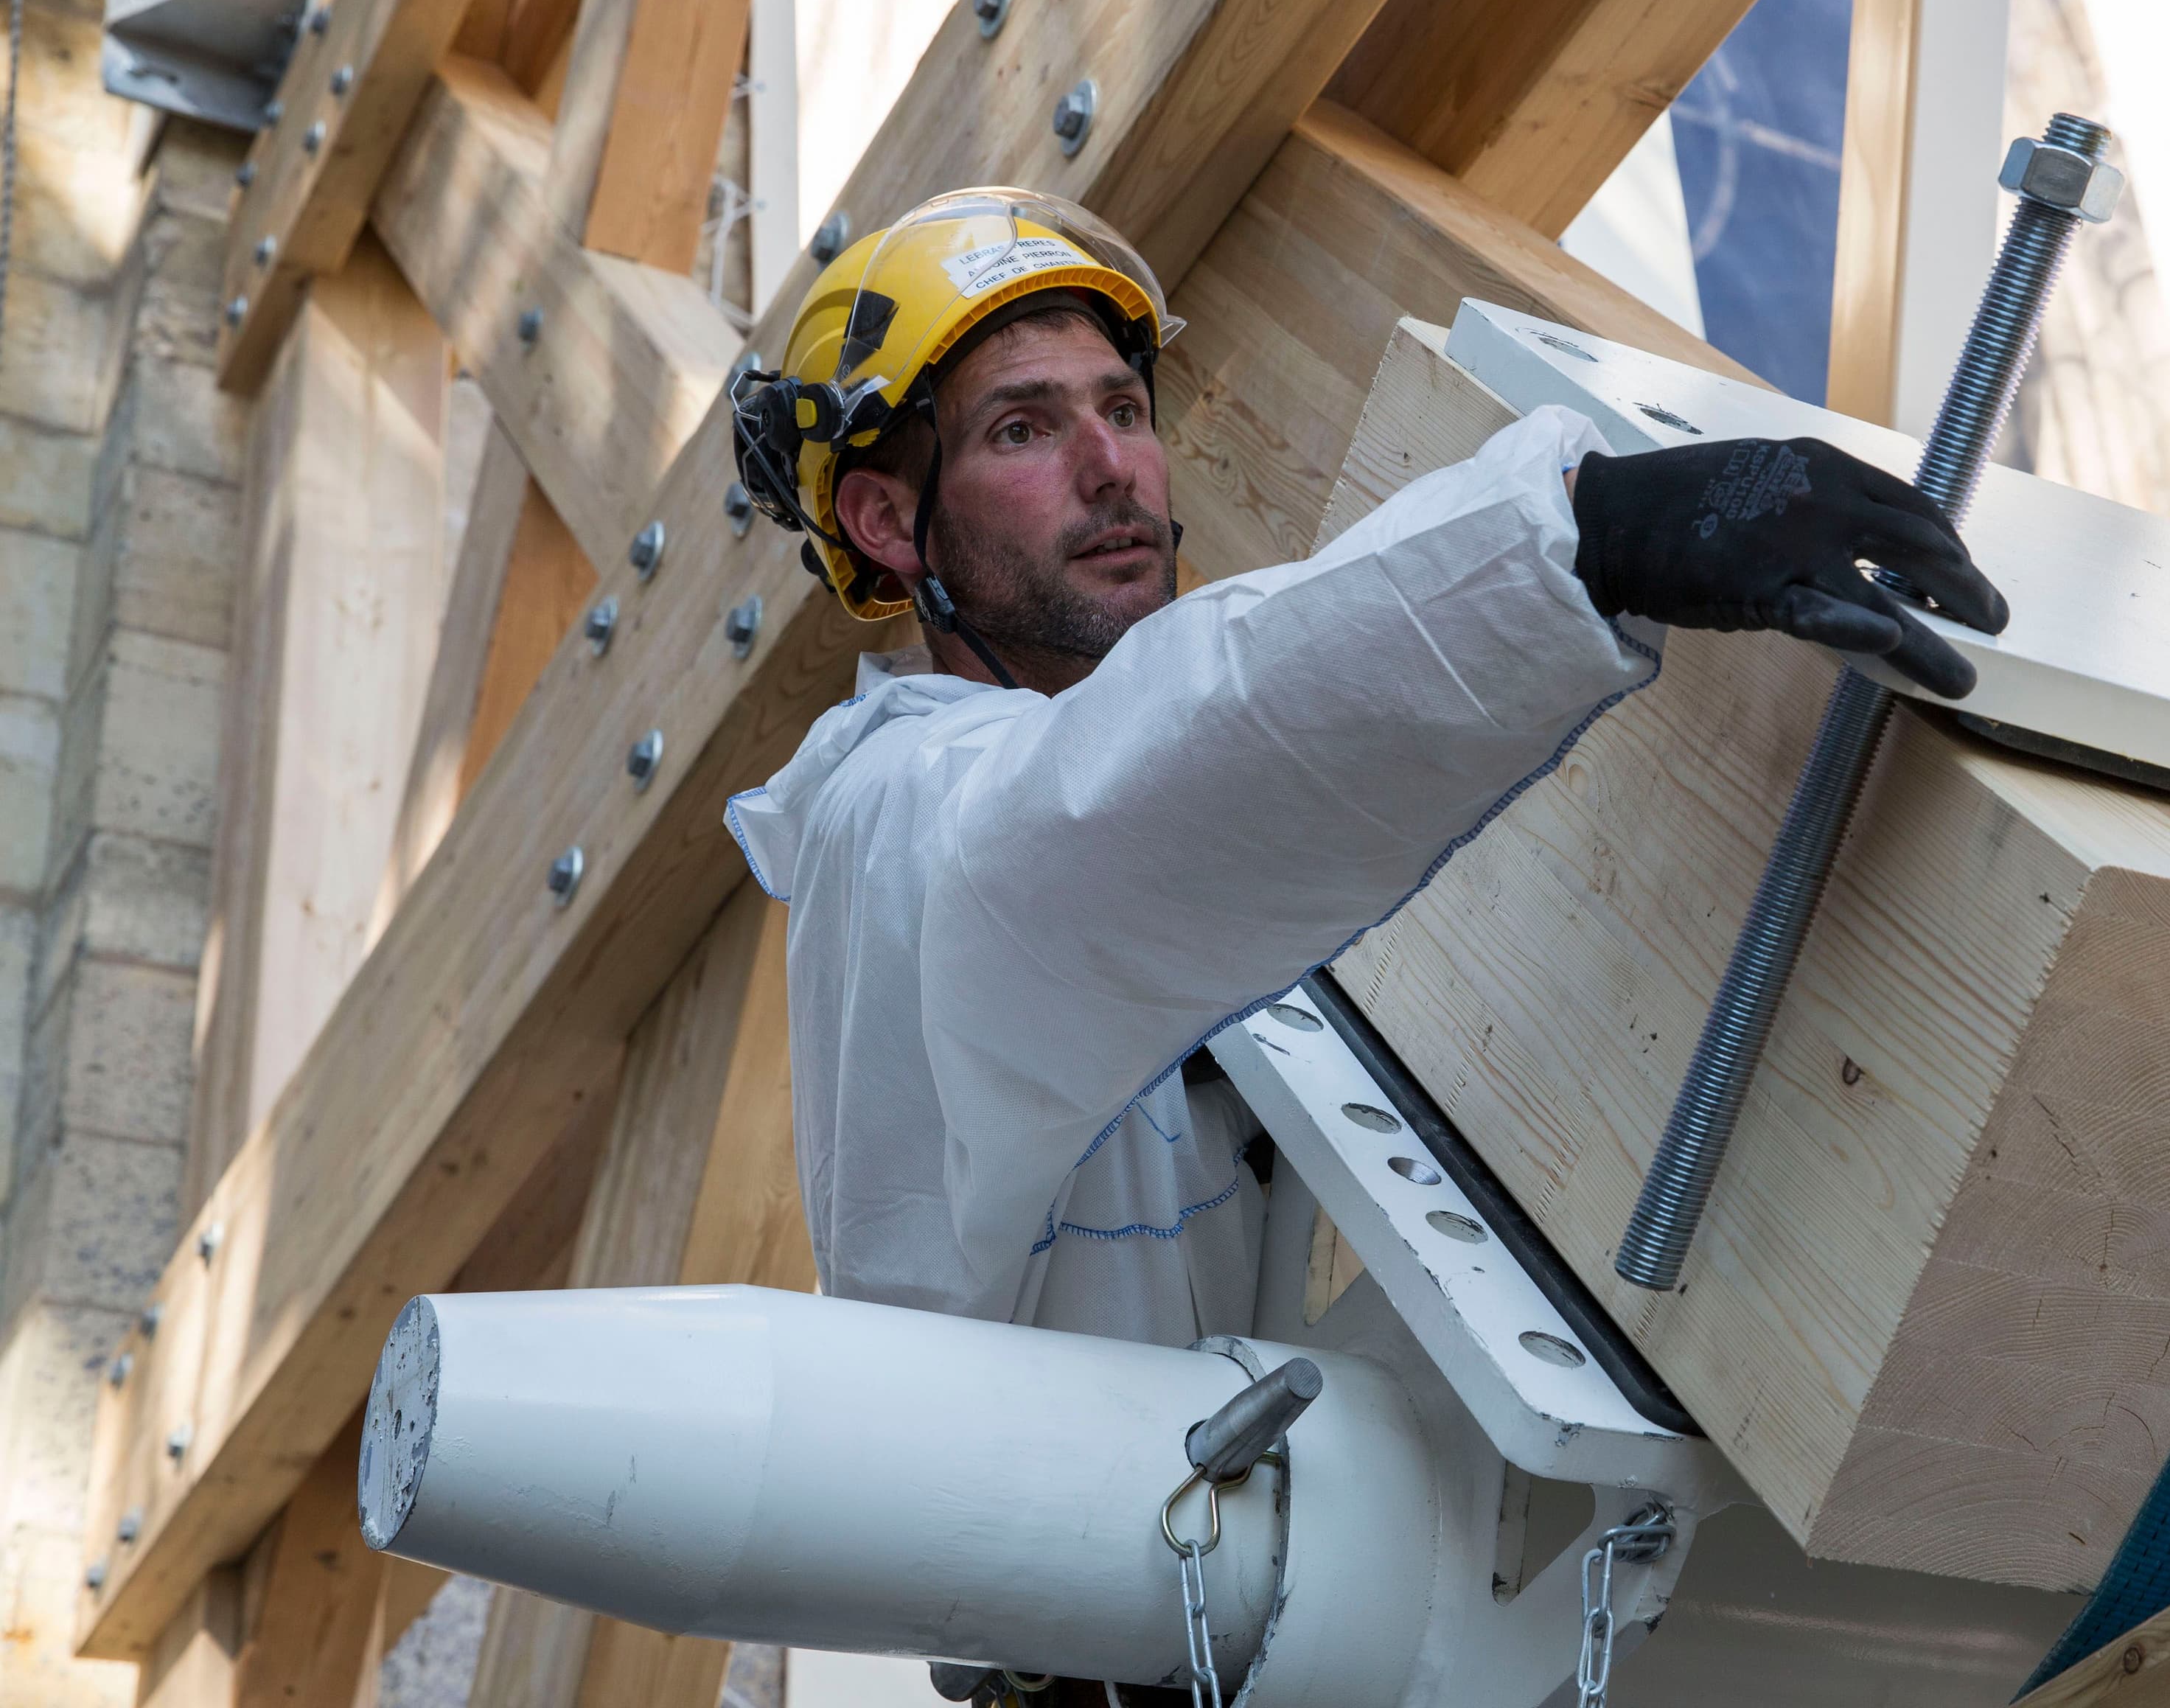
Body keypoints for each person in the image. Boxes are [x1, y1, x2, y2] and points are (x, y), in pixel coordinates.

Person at [725, 188, 2006, 1354]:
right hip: (1060, 1587)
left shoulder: (1209, 815)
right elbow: (1127, 775)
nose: (1113, 465)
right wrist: (1584, 541)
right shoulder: (891, 815)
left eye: (1123, 408)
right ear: (890, 524)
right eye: (1023, 428)